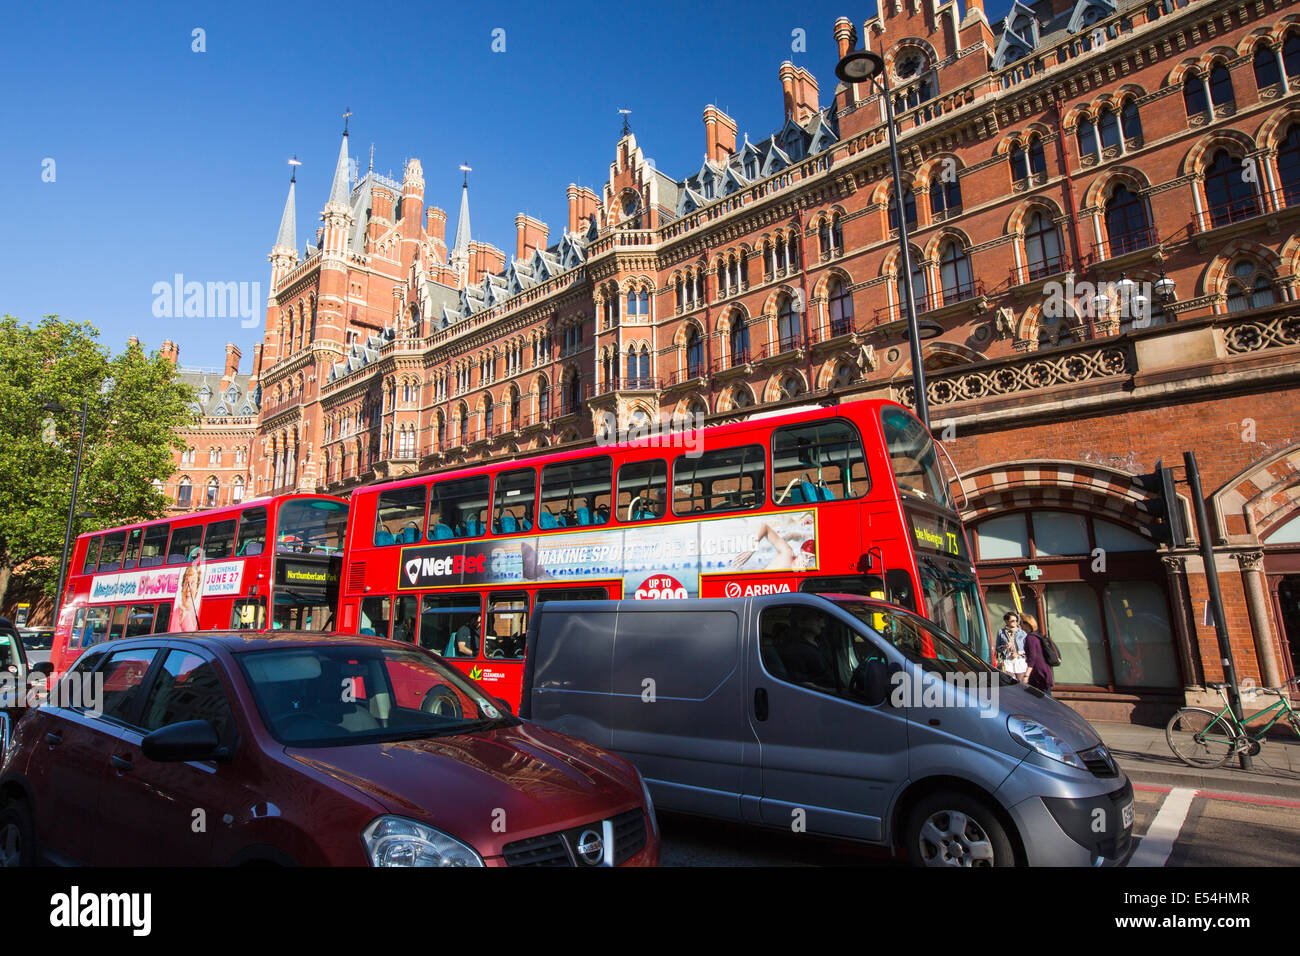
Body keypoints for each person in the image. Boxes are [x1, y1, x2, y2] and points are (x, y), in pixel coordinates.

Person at [1021, 612, 1055, 696]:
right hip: (1044, 670)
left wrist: (1026, 675)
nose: (1019, 624)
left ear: (1027, 624)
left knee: (1043, 698)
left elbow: (1033, 657)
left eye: (1021, 622)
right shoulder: (1037, 636)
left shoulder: (1030, 638)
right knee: (1044, 697)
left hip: (1038, 672)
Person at [995, 612, 1028, 684]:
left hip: (1019, 660)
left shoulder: (1022, 633)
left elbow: (1027, 649)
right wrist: (1005, 647)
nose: (1015, 622)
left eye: (1016, 621)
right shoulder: (1001, 632)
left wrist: (1018, 653)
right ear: (1006, 621)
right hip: (1007, 660)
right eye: (1013, 621)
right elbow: (997, 648)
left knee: (1020, 683)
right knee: (1009, 682)